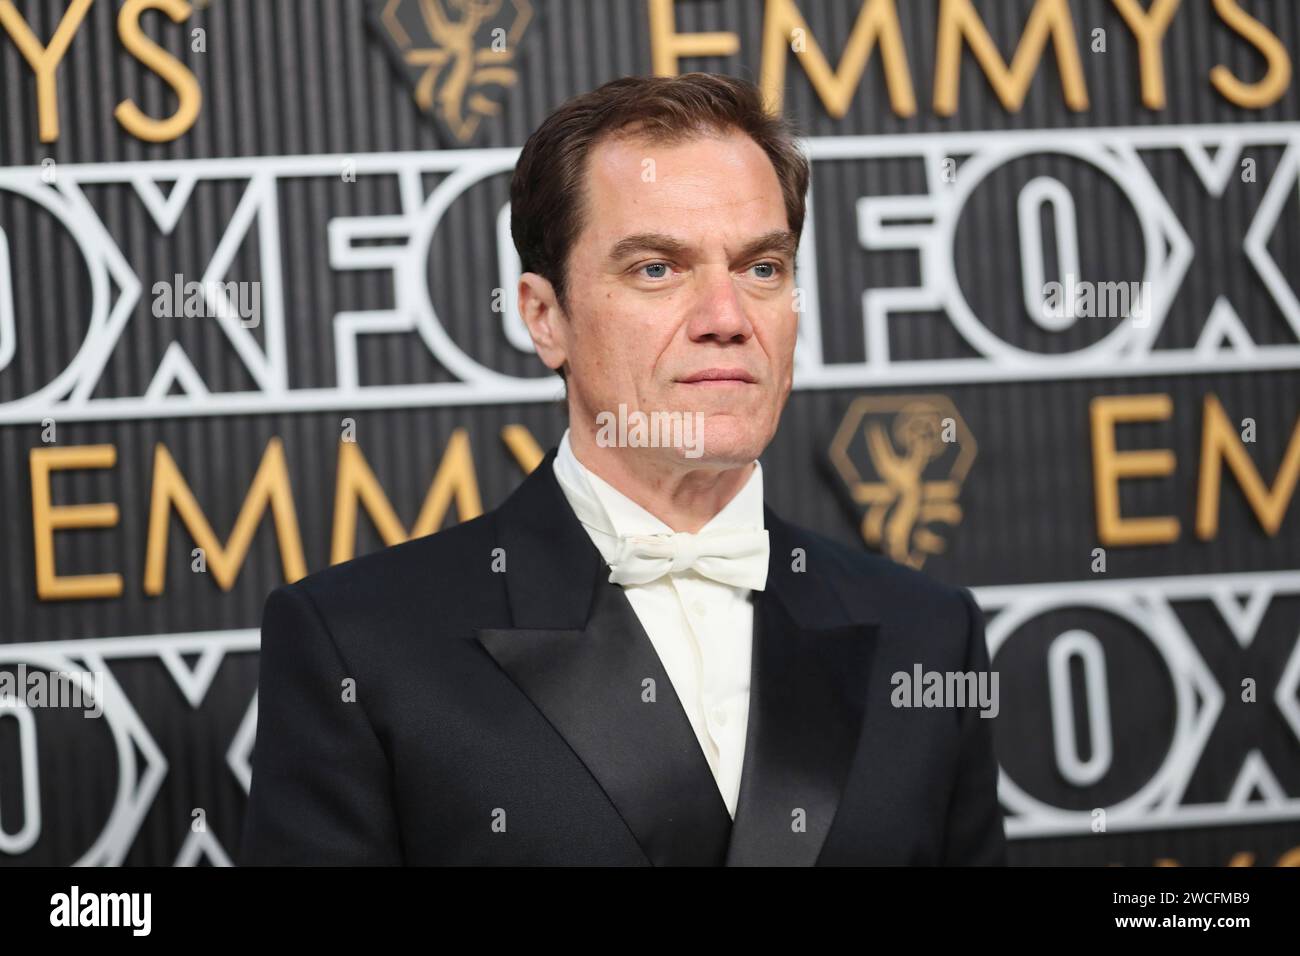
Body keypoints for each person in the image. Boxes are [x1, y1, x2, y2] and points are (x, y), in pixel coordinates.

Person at [239, 72, 1006, 866]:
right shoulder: (360, 646)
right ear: (544, 317)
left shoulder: (928, 634)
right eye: (656, 269)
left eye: (762, 268)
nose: (727, 320)